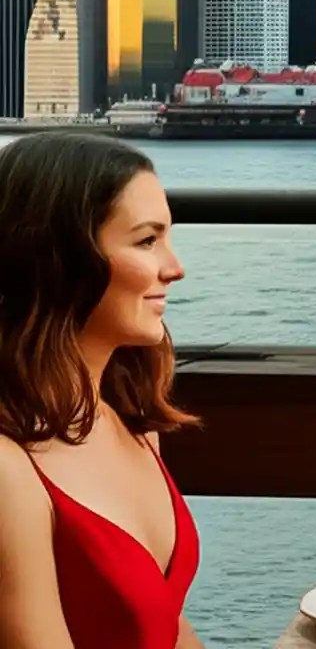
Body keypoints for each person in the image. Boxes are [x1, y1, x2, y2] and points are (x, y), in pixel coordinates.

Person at [0, 133, 204, 648]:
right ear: (60, 258)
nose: (174, 268)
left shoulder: (132, 423)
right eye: (146, 240)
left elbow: (166, 628)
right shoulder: (8, 473)